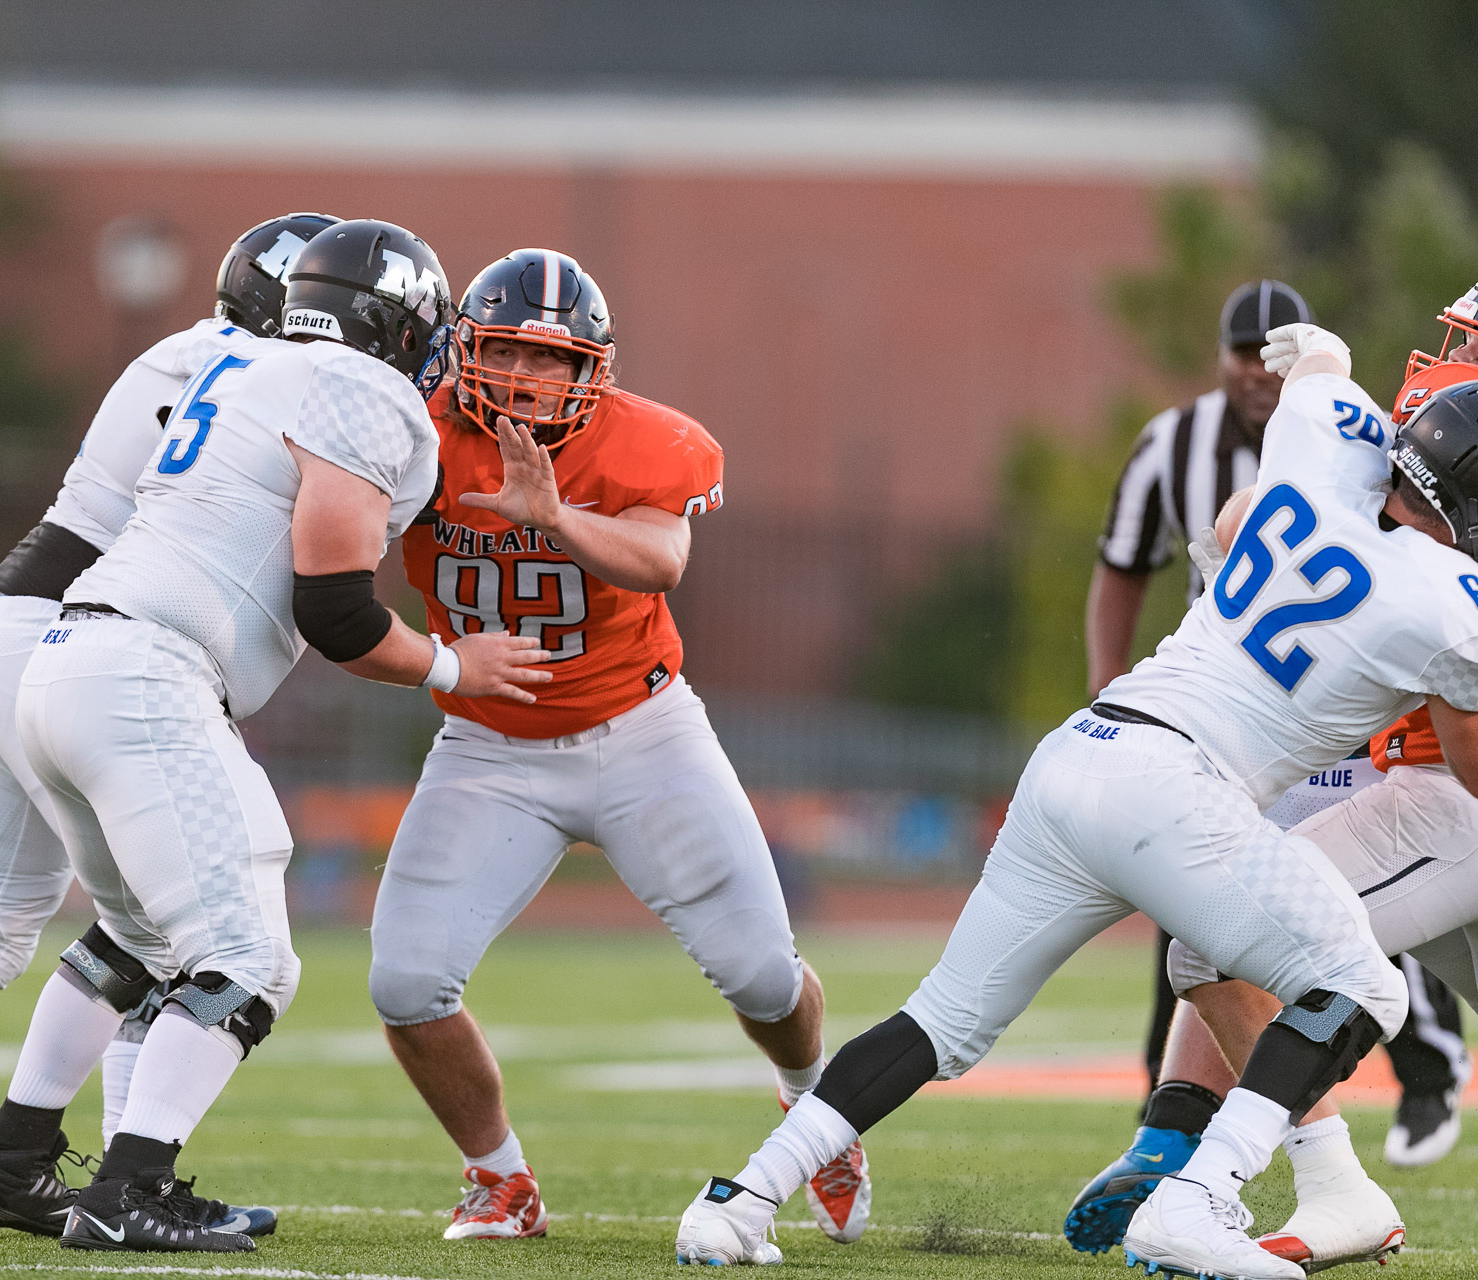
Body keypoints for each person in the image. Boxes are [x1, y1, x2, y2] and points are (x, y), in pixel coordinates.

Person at [675, 320, 1478, 1278]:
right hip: (1179, 790)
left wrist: (1317, 353)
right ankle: (1198, 1200)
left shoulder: (1325, 448)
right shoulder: (1448, 598)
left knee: (941, 1021)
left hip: (1081, 751)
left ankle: (743, 1199)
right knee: (1362, 984)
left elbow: (1319, 375)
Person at [0, 219, 549, 1256]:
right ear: (398, 325)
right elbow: (336, 612)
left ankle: (13, 1160)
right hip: (147, 673)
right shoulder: (359, 391)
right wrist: (460, 666)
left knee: (142, 937)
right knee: (248, 960)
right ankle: (130, 1186)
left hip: (67, 655)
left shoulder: (237, 357)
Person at [368, 248, 869, 1244]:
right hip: (487, 744)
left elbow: (661, 559)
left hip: (641, 731)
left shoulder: (645, 441)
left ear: (593, 369)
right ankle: (500, 1179)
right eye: (506, 350)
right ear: (463, 347)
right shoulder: (405, 433)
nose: (523, 378)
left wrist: (554, 514)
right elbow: (332, 558)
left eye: (550, 361)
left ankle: (816, 1110)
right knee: (405, 982)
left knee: (766, 977)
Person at [0, 213, 339, 1241]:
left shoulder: (182, 353)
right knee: (217, 929)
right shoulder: (281, 381)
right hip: (99, 646)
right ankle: (130, 1184)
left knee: (0, 924)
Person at [1062, 292, 1478, 1261]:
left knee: (1214, 938)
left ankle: (1257, 1184)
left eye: (1469, 343)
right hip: (1423, 786)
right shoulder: (1444, 442)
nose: (1445, 354)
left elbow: (1260, 512)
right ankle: (1298, 1180)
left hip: (1448, 799)